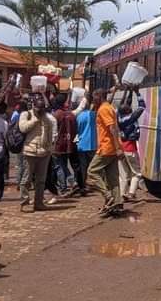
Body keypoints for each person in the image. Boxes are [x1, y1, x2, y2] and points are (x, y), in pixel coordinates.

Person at [86, 89, 125, 217]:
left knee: (92, 171)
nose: (93, 100)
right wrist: (118, 147)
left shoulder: (103, 109)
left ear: (100, 96)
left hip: (107, 148)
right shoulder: (108, 107)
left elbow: (112, 128)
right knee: (112, 178)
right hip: (112, 148)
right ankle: (117, 204)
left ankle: (108, 196)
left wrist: (117, 147)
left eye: (94, 97)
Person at [17, 95, 55, 211]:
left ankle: (38, 202)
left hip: (44, 153)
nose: (41, 111)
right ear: (34, 106)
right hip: (30, 151)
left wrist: (49, 149)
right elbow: (23, 128)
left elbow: (49, 135)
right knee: (26, 179)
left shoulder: (48, 119)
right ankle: (24, 202)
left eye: (43, 108)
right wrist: (34, 120)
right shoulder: (26, 115)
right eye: (39, 108)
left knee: (41, 180)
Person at [117, 91, 145, 201]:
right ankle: (132, 193)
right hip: (130, 148)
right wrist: (137, 92)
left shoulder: (119, 117)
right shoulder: (131, 118)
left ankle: (122, 193)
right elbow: (142, 106)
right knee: (137, 173)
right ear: (129, 111)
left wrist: (129, 92)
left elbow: (124, 105)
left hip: (121, 148)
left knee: (123, 174)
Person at [52, 94, 79, 197]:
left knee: (60, 166)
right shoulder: (71, 115)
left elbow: (53, 131)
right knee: (64, 165)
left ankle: (63, 188)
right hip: (69, 144)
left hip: (58, 145)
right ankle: (73, 182)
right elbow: (75, 130)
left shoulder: (56, 115)